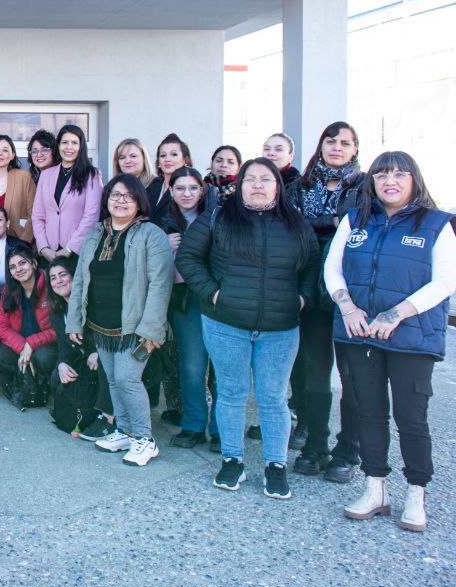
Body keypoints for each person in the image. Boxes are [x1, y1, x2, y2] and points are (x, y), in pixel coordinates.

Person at [327, 151, 455, 532]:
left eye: (400, 174)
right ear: (373, 182)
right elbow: (332, 268)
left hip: (411, 338)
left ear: (414, 179)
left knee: (410, 418)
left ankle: (416, 493)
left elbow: (446, 281)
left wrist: (397, 314)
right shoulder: (355, 220)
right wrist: (347, 307)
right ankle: (375, 488)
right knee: (368, 411)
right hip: (360, 333)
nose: (390, 181)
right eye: (382, 174)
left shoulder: (436, 223)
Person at [177, 158, 319, 498]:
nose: (257, 185)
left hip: (280, 328)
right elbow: (187, 258)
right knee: (231, 393)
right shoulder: (218, 217)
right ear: (239, 185)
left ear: (277, 186)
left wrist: (301, 298)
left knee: (272, 398)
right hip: (226, 323)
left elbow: (313, 264)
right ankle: (232, 459)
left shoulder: (295, 222)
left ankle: (275, 465)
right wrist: (213, 292)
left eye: (265, 179)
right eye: (250, 179)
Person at [66, 174, 174, 467]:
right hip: (101, 324)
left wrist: (151, 329)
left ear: (139, 202)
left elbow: (161, 285)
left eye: (128, 196)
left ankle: (144, 439)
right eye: (115, 195)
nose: (121, 201)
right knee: (113, 379)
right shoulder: (95, 234)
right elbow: (79, 281)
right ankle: (125, 431)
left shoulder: (151, 235)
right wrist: (74, 321)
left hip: (135, 327)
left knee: (128, 378)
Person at [286, 121, 367, 483]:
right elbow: (291, 227)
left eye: (345, 143)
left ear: (355, 149)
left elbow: (360, 228)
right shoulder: (298, 188)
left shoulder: (367, 188)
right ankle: (314, 443)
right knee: (314, 372)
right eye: (330, 141)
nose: (337, 147)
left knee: (352, 376)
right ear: (320, 146)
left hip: (352, 292)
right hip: (309, 288)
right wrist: (332, 221)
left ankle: (348, 449)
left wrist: (319, 222)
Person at [158, 167, 218, 450]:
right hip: (184, 298)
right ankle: (194, 424)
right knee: (192, 365)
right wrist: (163, 245)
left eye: (193, 188)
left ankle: (220, 428)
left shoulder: (216, 216)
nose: (187, 194)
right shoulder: (164, 220)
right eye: (180, 188)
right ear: (171, 191)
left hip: (216, 297)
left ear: (202, 190)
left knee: (220, 367)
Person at [45, 256, 113, 437]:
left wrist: (96, 352)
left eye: (63, 275)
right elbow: (64, 346)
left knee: (102, 364)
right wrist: (61, 364)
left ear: (74, 276)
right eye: (53, 278)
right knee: (58, 375)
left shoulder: (92, 300)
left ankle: (108, 418)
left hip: (109, 351)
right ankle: (80, 415)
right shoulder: (57, 311)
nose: (58, 281)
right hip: (84, 357)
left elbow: (109, 332)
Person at [0, 247, 56, 410]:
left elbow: (60, 328)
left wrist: (31, 344)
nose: (18, 269)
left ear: (33, 263)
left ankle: (42, 387)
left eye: (22, 263)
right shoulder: (9, 290)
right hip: (20, 344)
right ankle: (17, 386)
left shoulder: (50, 284)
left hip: (45, 344)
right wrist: (22, 347)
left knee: (43, 357)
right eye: (12, 267)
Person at [32, 124, 102, 263]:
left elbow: (91, 216)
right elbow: (37, 216)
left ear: (81, 147)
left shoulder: (91, 174)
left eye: (74, 143)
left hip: (76, 251)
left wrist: (71, 248)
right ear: (58, 146)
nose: (69, 147)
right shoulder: (46, 175)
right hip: (49, 252)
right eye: (64, 142)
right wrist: (43, 247)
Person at [0, 134, 36, 246]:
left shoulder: (25, 177)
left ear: (12, 155)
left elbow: (34, 213)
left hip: (21, 241)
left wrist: (24, 241)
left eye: (5, 150)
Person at [147, 133, 193, 219]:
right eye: (163, 155)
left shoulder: (191, 188)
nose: (167, 159)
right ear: (158, 162)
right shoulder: (153, 186)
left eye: (174, 154)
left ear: (185, 160)